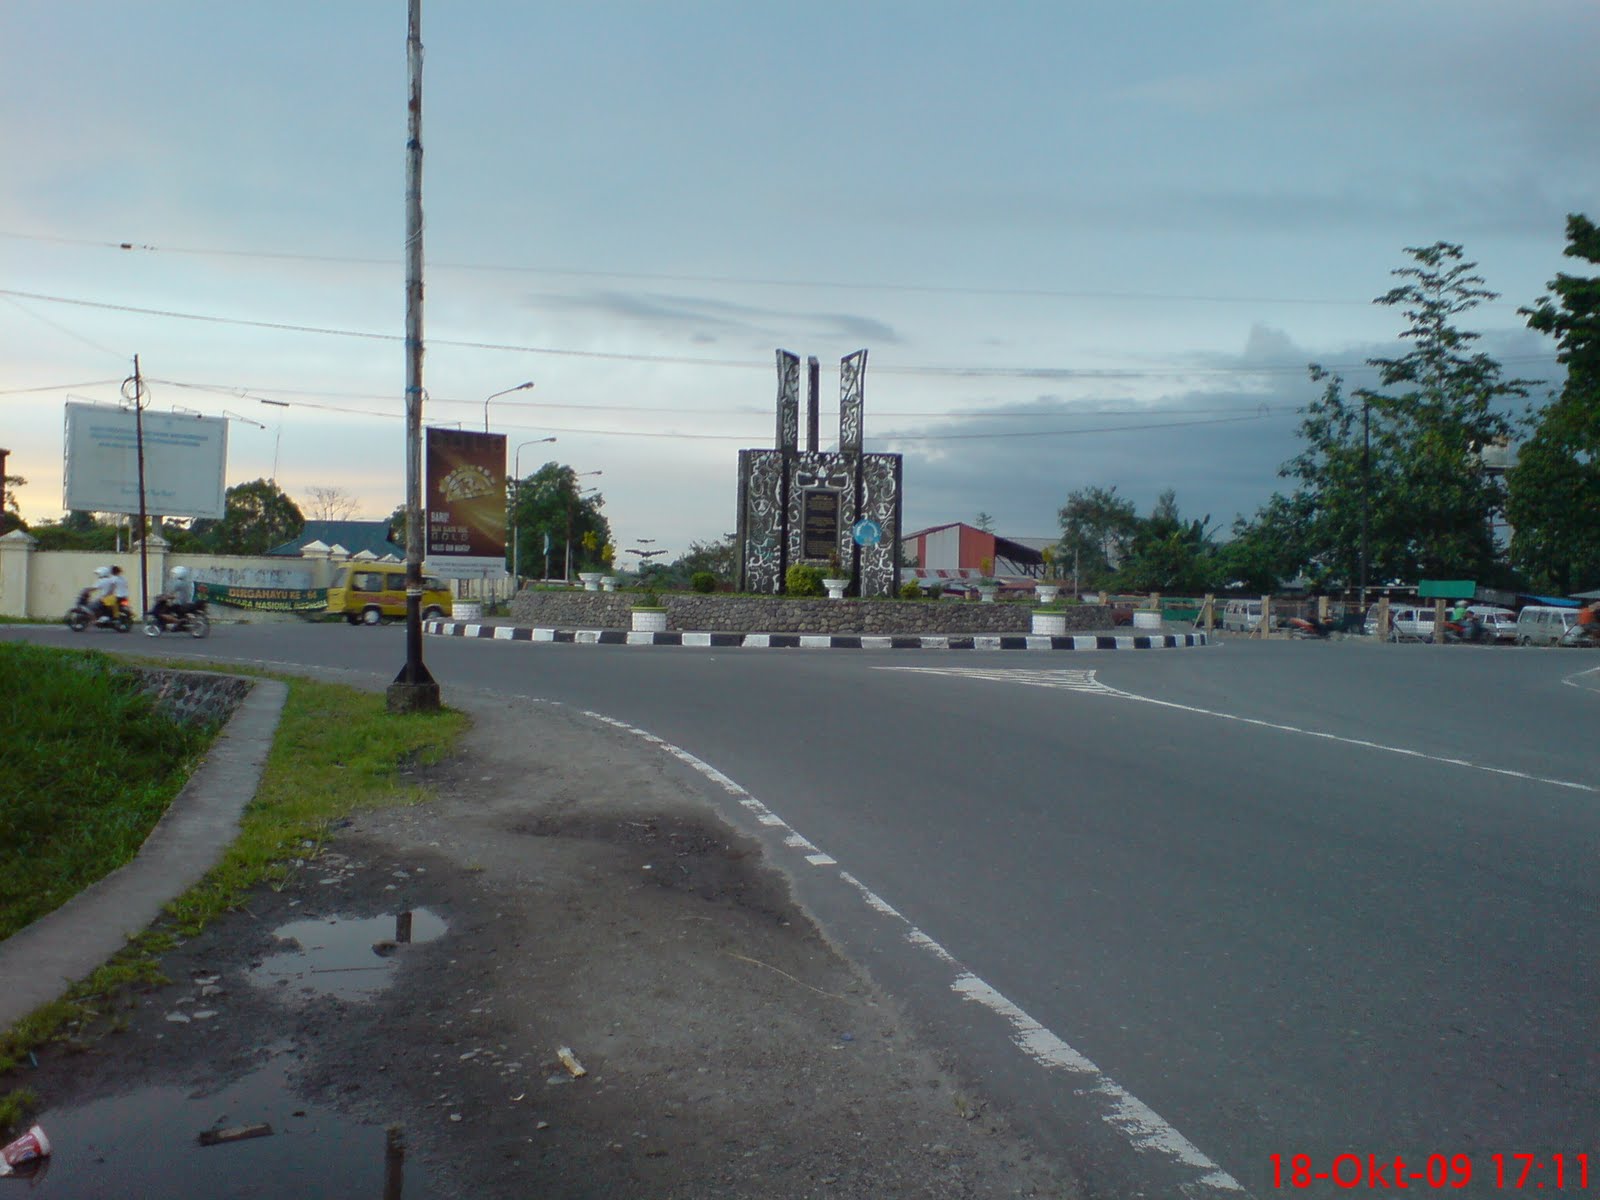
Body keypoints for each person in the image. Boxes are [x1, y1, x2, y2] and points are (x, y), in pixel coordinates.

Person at [151, 565, 195, 630]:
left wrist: (163, 597)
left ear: (179, 574)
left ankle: (177, 622)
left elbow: (171, 594)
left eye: (174, 574)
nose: (173, 575)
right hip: (185, 601)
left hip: (179, 603)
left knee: (162, 613)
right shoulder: (187, 582)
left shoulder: (178, 583)